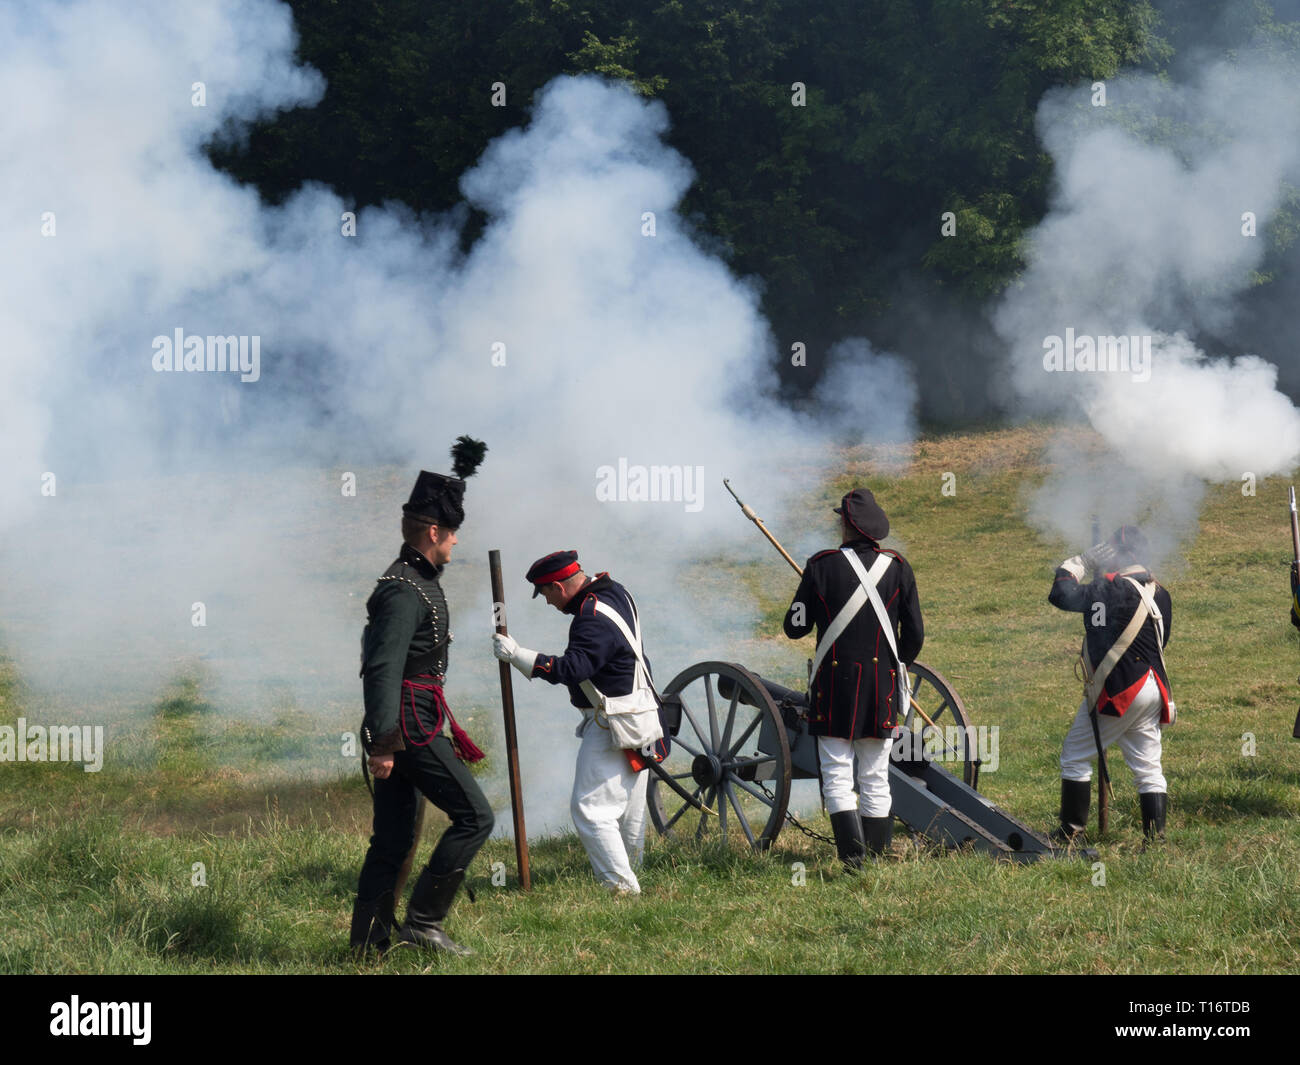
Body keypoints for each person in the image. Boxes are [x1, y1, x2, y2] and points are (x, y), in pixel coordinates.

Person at [350, 437, 493, 956]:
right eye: (452, 533)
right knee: (477, 817)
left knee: (391, 840)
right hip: (409, 725)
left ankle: (367, 948)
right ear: (434, 531)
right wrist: (383, 743)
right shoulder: (402, 589)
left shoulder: (418, 581)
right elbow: (382, 670)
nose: (456, 542)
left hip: (412, 720)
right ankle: (423, 923)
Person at [492, 551, 658, 894]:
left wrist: (519, 655)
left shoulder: (591, 616)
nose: (549, 603)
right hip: (637, 714)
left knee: (590, 810)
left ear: (558, 586)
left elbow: (573, 669)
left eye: (546, 594)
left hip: (613, 722)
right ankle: (632, 871)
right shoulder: (614, 591)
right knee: (627, 810)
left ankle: (621, 888)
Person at [782, 488, 923, 868]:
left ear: (846, 524)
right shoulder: (897, 567)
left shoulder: (820, 565)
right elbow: (915, 637)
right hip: (881, 685)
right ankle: (874, 860)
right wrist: (895, 665)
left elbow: (794, 627)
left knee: (837, 773)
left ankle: (853, 861)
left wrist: (812, 592)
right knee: (876, 774)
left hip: (833, 687)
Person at [1049, 525, 1173, 845]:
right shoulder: (1159, 592)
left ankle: (1071, 831)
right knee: (1148, 766)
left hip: (1119, 691)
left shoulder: (1106, 588)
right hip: (1153, 687)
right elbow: (1162, 642)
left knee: (1075, 755)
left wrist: (1079, 562)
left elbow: (1060, 594)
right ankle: (1154, 838)